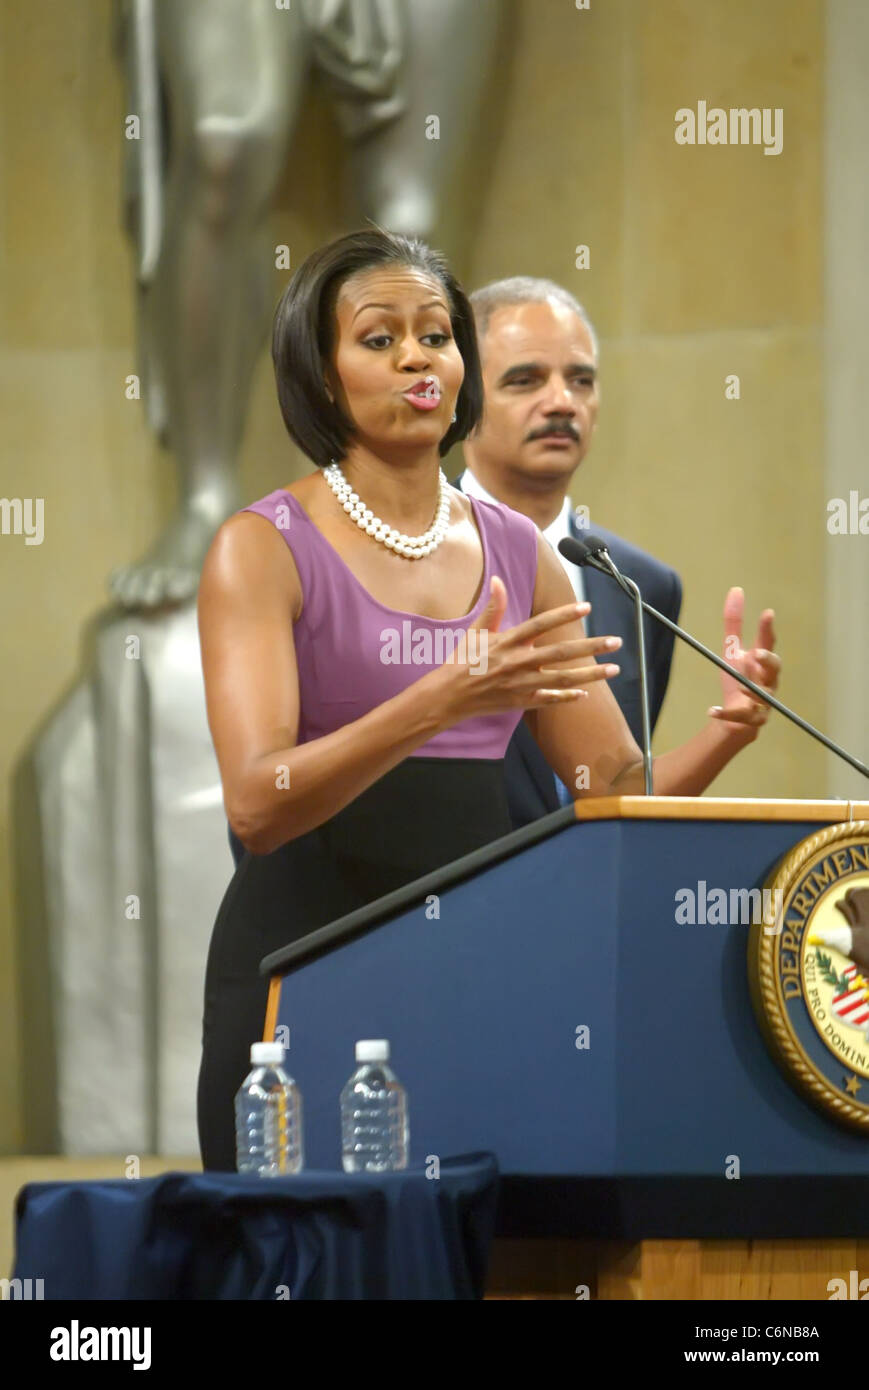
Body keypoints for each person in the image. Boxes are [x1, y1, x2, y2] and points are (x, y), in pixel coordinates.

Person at [197, 228, 780, 1171]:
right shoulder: (260, 547)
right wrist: (441, 698)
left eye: (436, 334)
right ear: (319, 368)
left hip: (479, 971)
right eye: (379, 338)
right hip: (305, 970)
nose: (417, 356)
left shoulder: (523, 553)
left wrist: (726, 733)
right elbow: (258, 805)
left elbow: (609, 790)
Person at [455, 277, 682, 825]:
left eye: (581, 380)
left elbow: (620, 788)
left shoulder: (643, 585)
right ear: (464, 400)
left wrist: (730, 731)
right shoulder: (412, 557)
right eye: (525, 380)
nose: (561, 402)